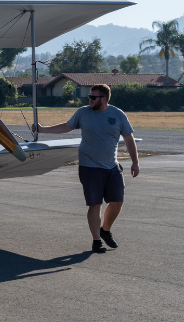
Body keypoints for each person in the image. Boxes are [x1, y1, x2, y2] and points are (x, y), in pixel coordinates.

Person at [33, 83, 139, 253]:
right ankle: (96, 241)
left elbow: (128, 138)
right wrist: (43, 129)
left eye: (93, 97)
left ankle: (105, 230)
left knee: (118, 201)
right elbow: (66, 127)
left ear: (103, 99)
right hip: (89, 166)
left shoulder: (118, 115)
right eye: (89, 97)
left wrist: (135, 162)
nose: (89, 100)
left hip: (112, 166)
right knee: (95, 205)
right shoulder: (83, 113)